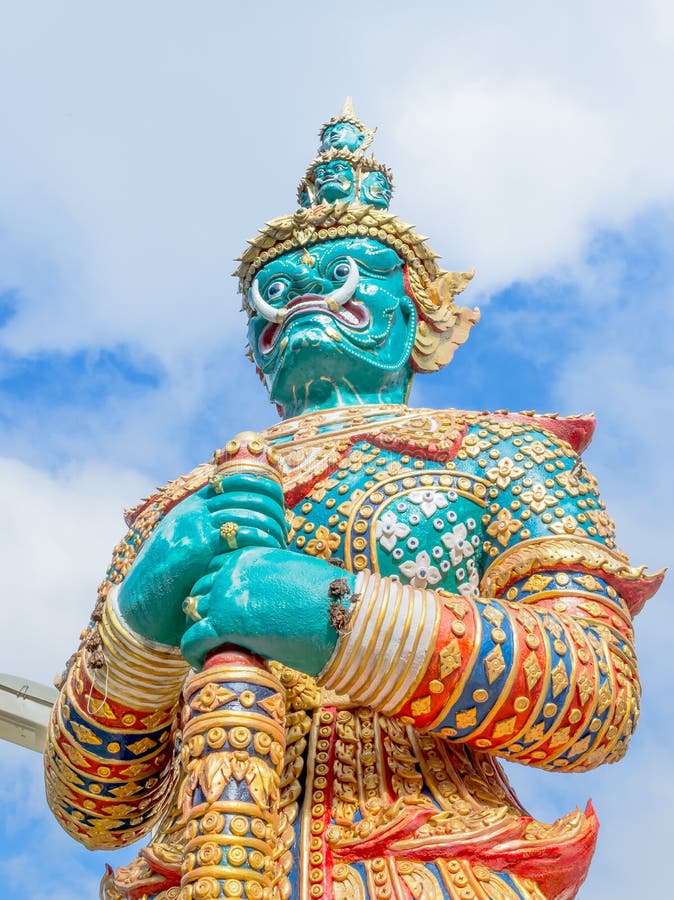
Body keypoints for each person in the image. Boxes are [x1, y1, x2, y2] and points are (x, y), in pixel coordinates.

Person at [45, 101, 662, 900]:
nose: (303, 293)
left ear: (416, 315)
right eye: (277, 287)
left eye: (340, 272)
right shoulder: (184, 506)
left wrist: (335, 615)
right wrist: (139, 617)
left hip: (424, 862)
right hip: (198, 869)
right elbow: (93, 807)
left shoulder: (502, 455)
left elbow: (595, 697)